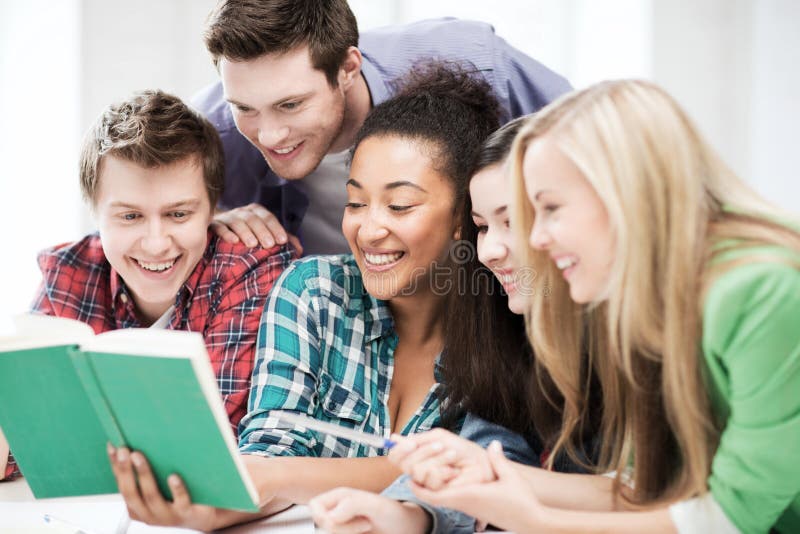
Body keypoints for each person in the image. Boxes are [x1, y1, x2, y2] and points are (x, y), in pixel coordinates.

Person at [373, 80, 800, 533]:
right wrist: (490, 471)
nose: (536, 239)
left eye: (548, 210)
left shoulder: (760, 293)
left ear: (624, 194)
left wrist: (534, 520)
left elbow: (731, 519)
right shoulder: (640, 303)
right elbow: (643, 487)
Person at [106, 62, 502, 530]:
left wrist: (277, 477)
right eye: (355, 202)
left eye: (399, 205)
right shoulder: (312, 292)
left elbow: (475, 474)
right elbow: (270, 452)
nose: (369, 229)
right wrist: (208, 509)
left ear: (464, 215)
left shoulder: (505, 329)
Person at [309, 119, 600, 533]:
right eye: (483, 227)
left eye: (513, 221)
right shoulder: (517, 331)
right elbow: (495, 448)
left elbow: (659, 500)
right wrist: (406, 515)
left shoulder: (648, 339)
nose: (491, 251)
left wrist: (529, 511)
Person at [0, 90, 294, 481]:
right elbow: (23, 436)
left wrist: (63, 433)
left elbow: (208, 445)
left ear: (214, 208)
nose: (156, 243)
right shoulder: (68, 270)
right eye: (130, 216)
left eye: (178, 214)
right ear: (94, 212)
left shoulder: (247, 269)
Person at [194, 0, 571, 255]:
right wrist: (203, 221)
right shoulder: (211, 131)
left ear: (347, 69)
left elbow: (598, 156)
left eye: (290, 105)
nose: (269, 135)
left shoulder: (474, 63)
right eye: (245, 108)